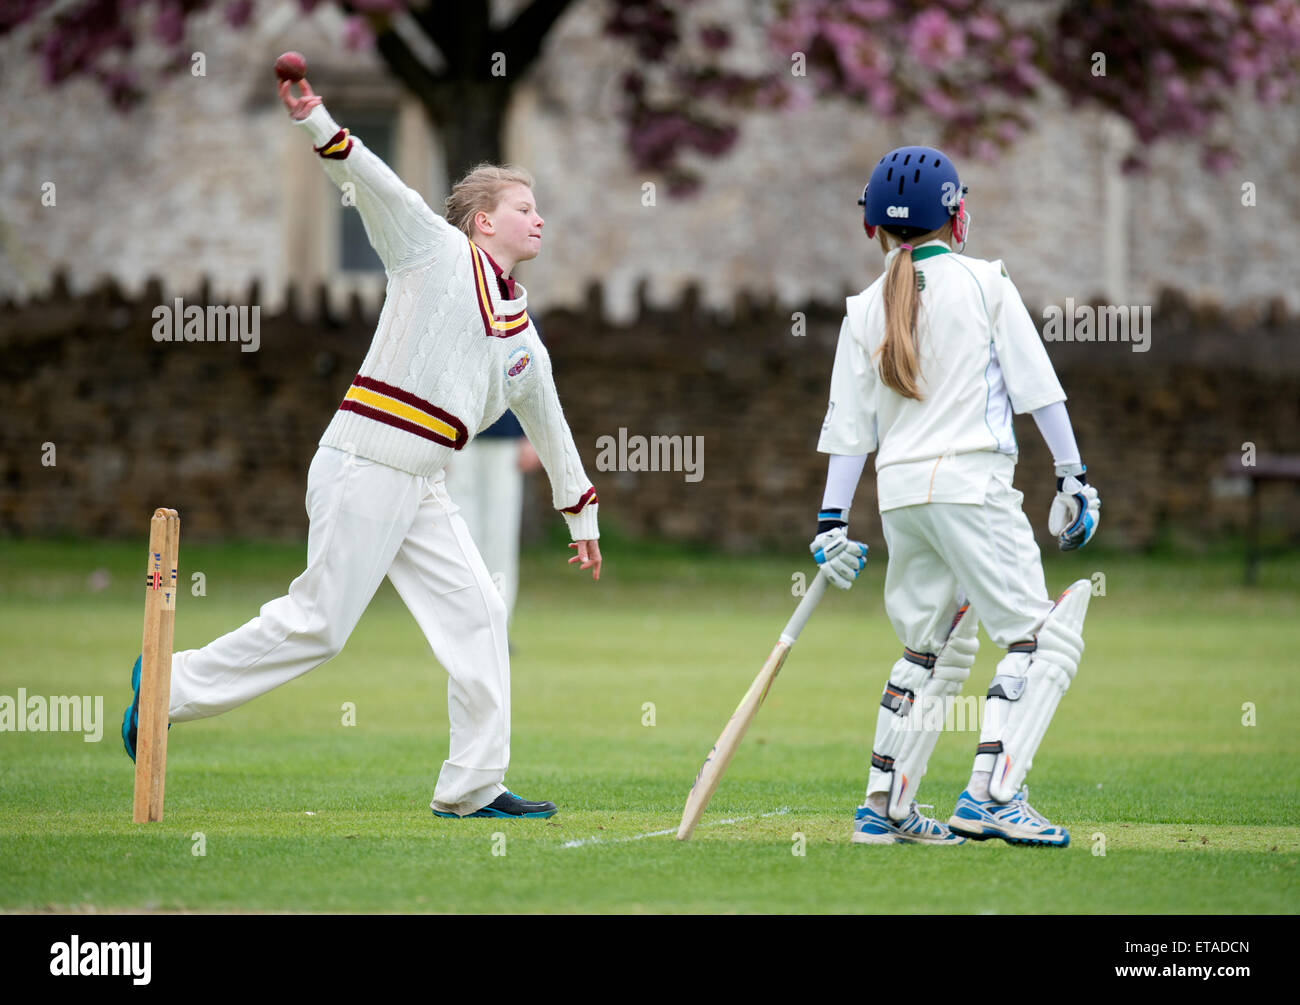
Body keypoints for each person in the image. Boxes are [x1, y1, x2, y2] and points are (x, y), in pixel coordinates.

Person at [121, 74, 603, 821]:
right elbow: (378, 186)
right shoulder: (431, 251)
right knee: (320, 624)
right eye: (524, 208)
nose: (541, 220)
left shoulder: (522, 338)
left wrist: (582, 518)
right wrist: (317, 121)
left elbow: (553, 426)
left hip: (424, 485)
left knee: (480, 611)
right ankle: (167, 685)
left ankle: (471, 783)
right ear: (481, 222)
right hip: (366, 460)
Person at [811, 145, 1100, 847]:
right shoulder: (985, 282)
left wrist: (830, 521)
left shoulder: (860, 308)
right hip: (973, 487)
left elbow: (849, 427)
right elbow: (1040, 389)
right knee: (1042, 637)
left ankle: (884, 808)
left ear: (871, 228)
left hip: (902, 497)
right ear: (957, 215)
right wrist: (1073, 476)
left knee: (931, 648)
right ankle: (995, 796)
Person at [444, 409, 541, 631]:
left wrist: (531, 434)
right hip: (457, 437)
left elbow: (530, 379)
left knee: (500, 536)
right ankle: (457, 627)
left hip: (506, 437)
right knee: (459, 535)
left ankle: (496, 627)